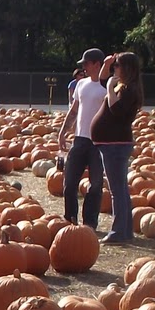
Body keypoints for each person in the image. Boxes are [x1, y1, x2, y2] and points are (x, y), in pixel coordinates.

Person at [91, 51, 143, 244]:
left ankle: (118, 232)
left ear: (127, 68)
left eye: (118, 65)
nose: (115, 69)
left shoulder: (128, 90)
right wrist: (107, 63)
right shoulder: (122, 86)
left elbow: (115, 110)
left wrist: (110, 89)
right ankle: (125, 230)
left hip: (115, 144)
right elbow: (103, 80)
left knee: (117, 190)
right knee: (120, 189)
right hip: (112, 144)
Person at [57, 48, 108, 229]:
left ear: (97, 64)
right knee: (69, 183)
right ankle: (70, 219)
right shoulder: (81, 84)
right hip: (80, 139)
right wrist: (63, 131)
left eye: (86, 63)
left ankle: (89, 223)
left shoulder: (106, 87)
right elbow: (74, 110)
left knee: (95, 185)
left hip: (99, 142)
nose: (83, 67)